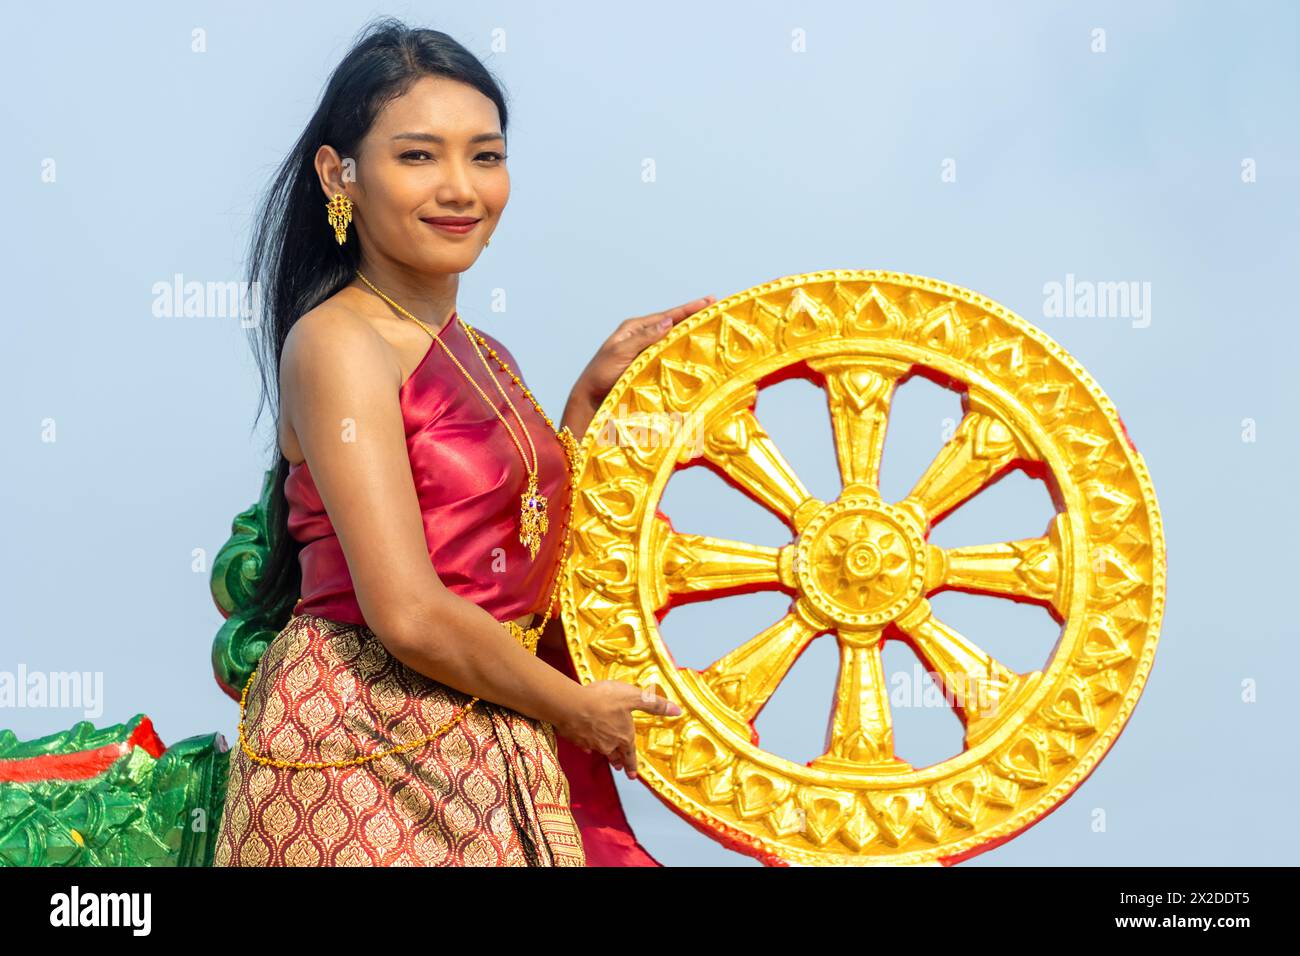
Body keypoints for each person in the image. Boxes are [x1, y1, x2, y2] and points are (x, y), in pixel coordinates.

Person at [212, 17, 715, 866]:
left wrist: (587, 403)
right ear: (341, 175)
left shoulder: (484, 354)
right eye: (418, 156)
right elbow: (407, 610)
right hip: (362, 751)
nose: (460, 188)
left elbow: (510, 546)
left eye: (485, 155)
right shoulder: (338, 344)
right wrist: (571, 707)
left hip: (491, 729)